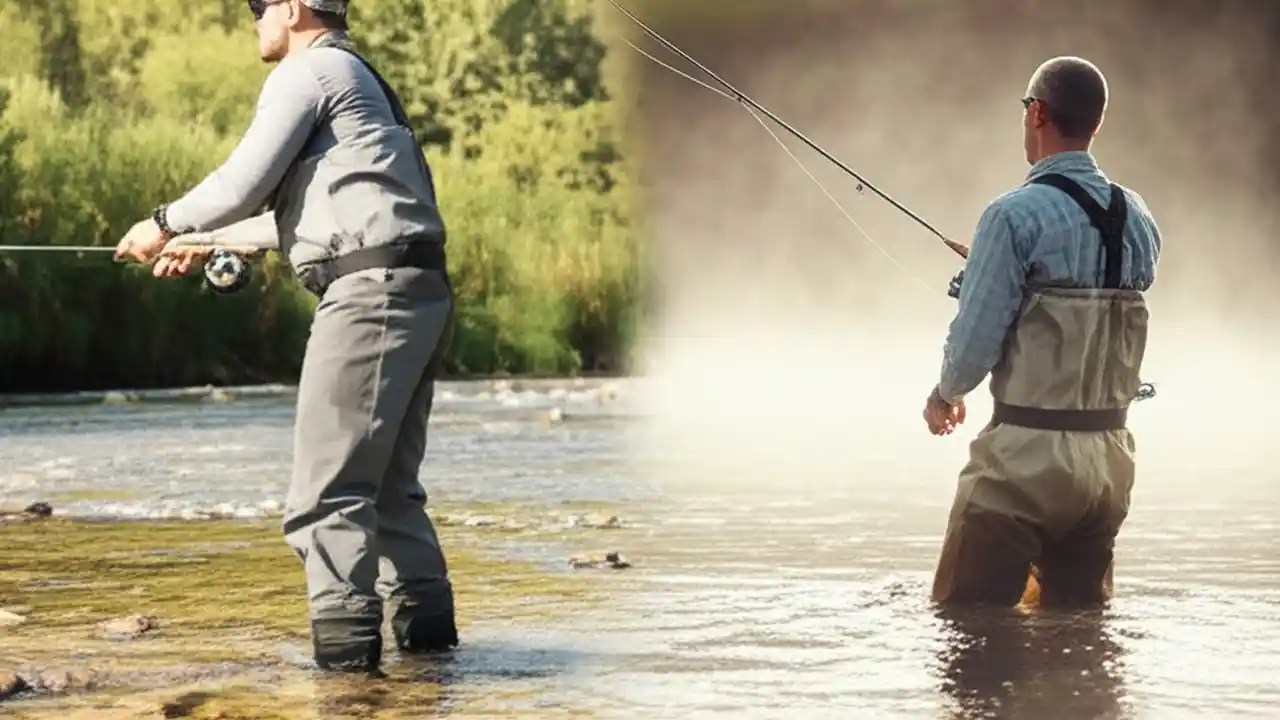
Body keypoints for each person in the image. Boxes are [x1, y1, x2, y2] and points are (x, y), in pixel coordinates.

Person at [114, 0, 459, 672]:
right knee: (388, 491)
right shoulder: (359, 78)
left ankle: (345, 679)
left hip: (366, 296)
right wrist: (207, 237)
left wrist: (161, 222)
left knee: (325, 495)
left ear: (295, 7)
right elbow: (305, 215)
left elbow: (243, 181)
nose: (253, 22)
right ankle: (432, 668)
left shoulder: (308, 73)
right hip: (414, 288)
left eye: (257, 8)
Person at [922, 56, 1162, 608]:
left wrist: (945, 394)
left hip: (1024, 463)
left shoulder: (1011, 216)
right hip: (1109, 464)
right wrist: (995, 264)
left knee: (967, 632)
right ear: (1095, 123)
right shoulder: (1140, 217)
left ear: (1037, 112)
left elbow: (974, 346)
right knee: (1081, 638)